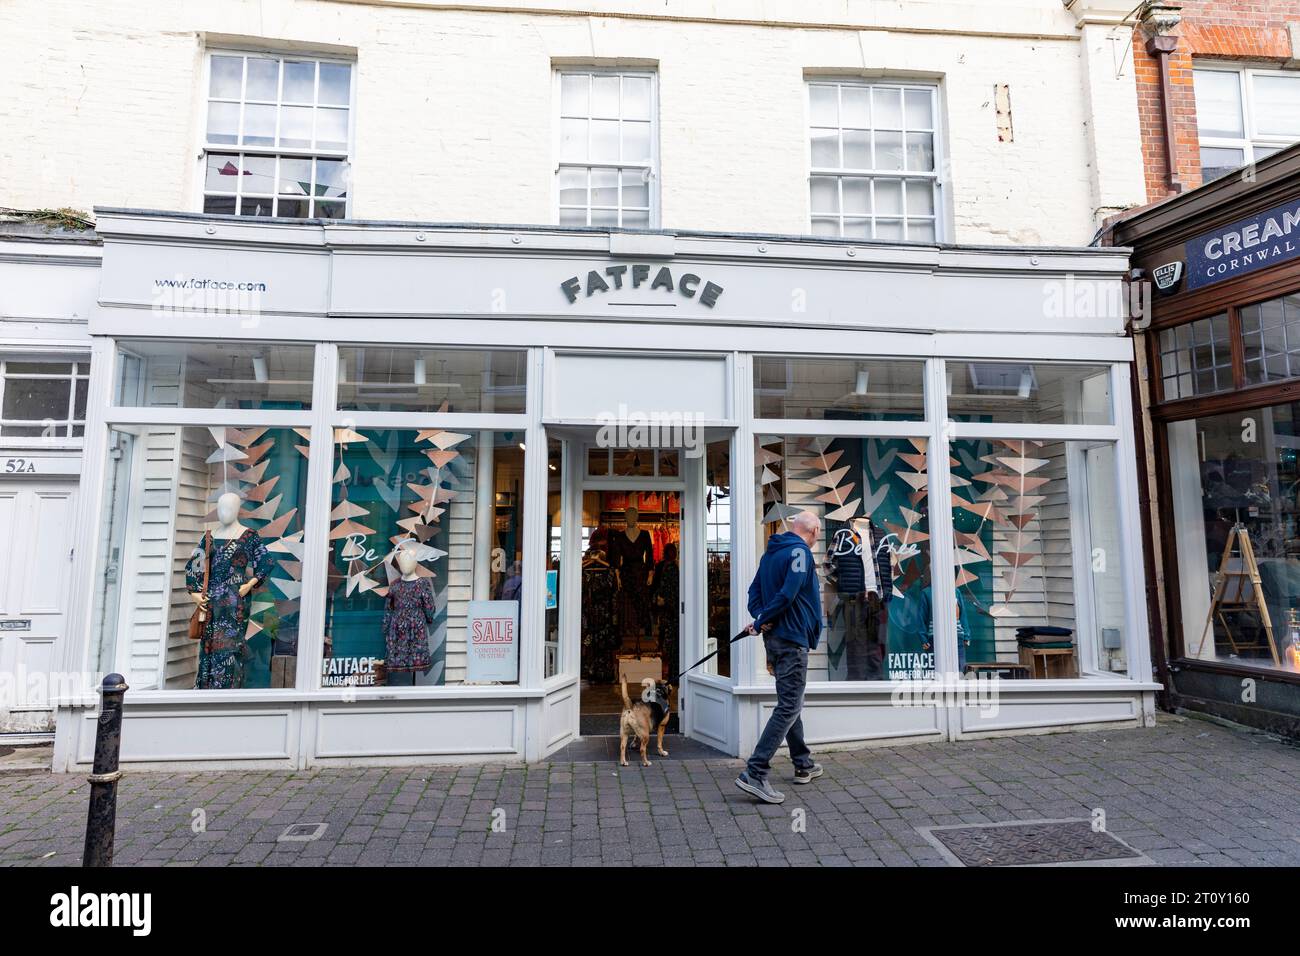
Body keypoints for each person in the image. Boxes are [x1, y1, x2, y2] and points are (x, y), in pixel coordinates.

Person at [735, 510, 824, 804]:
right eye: (818, 533)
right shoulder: (800, 553)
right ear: (813, 531)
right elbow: (788, 594)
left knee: (790, 701)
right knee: (789, 705)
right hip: (791, 639)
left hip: (775, 640)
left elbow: (754, 592)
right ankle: (755, 771)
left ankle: (803, 763)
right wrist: (762, 620)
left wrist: (761, 616)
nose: (817, 538)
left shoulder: (771, 553)